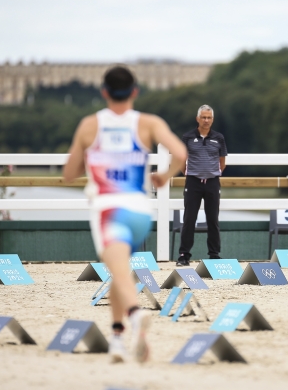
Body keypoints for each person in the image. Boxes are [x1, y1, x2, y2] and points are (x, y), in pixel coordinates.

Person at [63, 66, 187, 363]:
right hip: (140, 212)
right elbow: (182, 154)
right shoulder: (148, 122)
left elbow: (69, 173)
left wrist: (92, 159)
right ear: (135, 92)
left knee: (118, 272)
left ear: (104, 92)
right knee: (120, 271)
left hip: (109, 210)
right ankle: (117, 339)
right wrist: (164, 176)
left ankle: (134, 314)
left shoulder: (90, 126)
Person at [176, 104, 228, 266]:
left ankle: (214, 254)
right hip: (193, 182)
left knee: (213, 219)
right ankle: (184, 255)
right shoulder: (188, 137)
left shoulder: (219, 138)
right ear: (197, 119)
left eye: (209, 117)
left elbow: (222, 161)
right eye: (203, 117)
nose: (206, 120)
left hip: (212, 182)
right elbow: (181, 159)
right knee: (189, 218)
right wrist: (189, 173)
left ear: (212, 119)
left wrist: (212, 172)